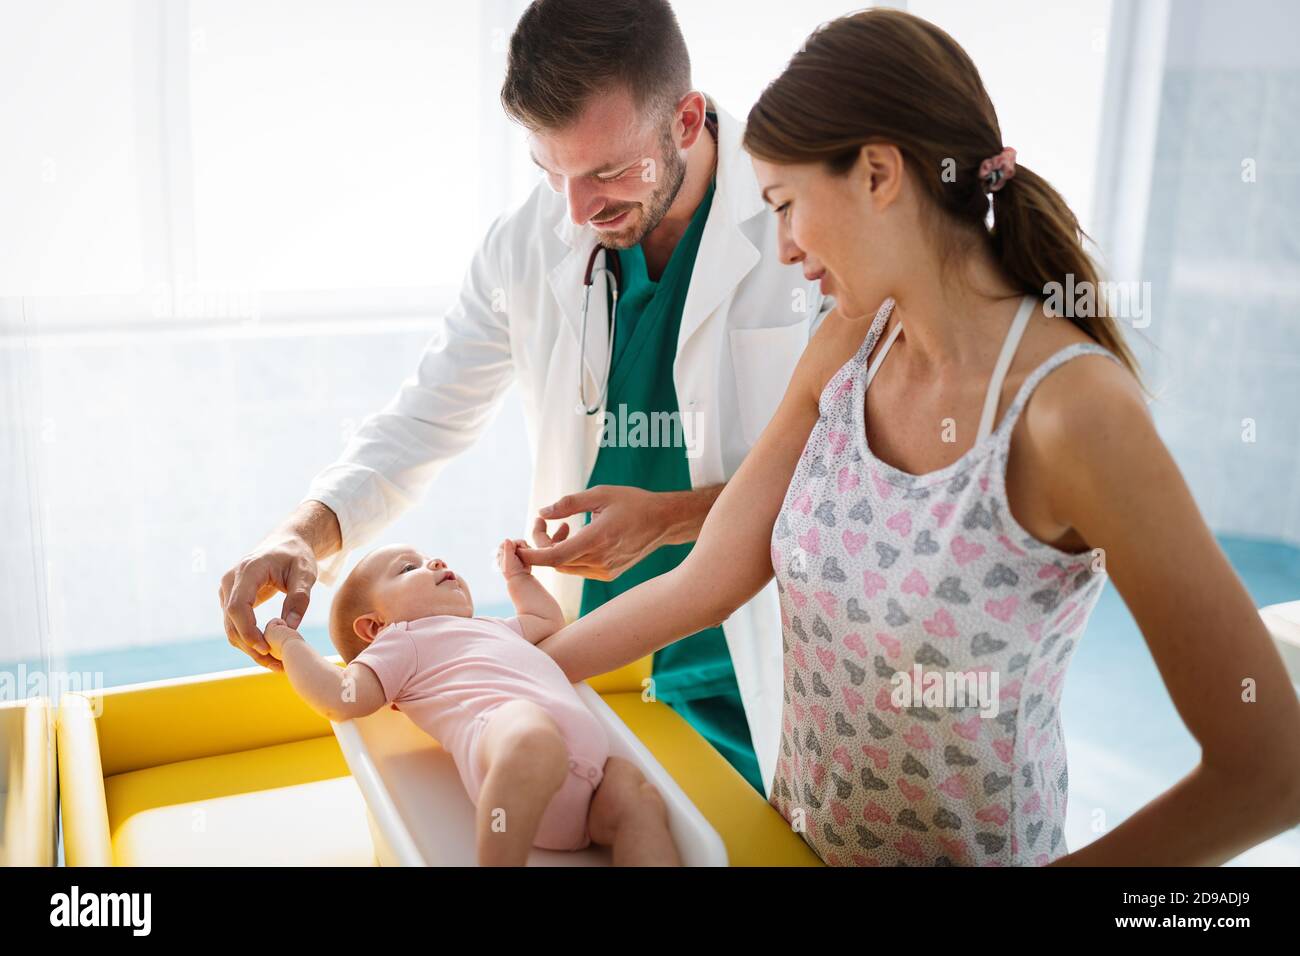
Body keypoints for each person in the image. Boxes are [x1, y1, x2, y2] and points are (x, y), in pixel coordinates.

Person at [537, 9, 1300, 865]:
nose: (783, 248)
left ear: (877, 174)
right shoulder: (848, 342)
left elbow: (1271, 768)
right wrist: (504, 668)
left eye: (787, 205)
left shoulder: (1072, 411)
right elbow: (706, 581)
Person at [219, 0, 831, 797]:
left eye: (608, 172)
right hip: (590, 655)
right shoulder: (529, 241)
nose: (576, 211)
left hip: (764, 645)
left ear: (685, 121)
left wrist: (672, 517)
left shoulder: (809, 213)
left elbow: (854, 459)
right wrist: (305, 534)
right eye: (553, 172)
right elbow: (428, 412)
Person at [259, 540, 680, 866]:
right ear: (375, 626)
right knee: (531, 733)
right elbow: (339, 696)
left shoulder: (490, 627)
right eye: (409, 568)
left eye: (429, 558)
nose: (436, 563)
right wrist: (289, 643)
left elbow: (546, 622)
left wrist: (519, 580)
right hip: (511, 752)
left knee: (637, 797)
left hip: (586, 792)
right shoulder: (403, 641)